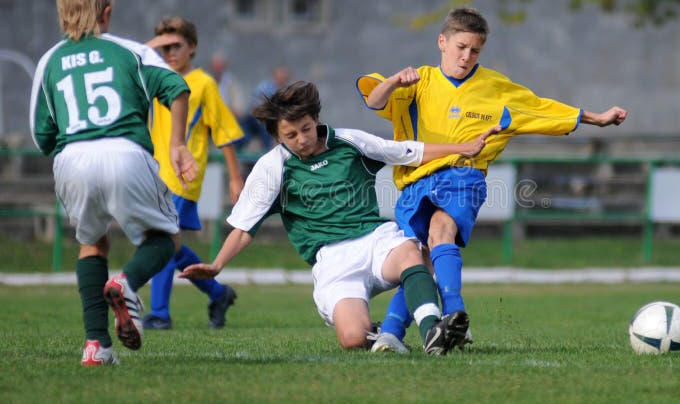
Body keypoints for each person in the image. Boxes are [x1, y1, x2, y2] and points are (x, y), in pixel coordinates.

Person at [356, 7, 628, 353]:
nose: (466, 56)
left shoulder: (495, 88)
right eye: (460, 47)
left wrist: (597, 118)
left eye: (475, 51)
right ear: (442, 42)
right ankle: (393, 332)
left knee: (441, 228)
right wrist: (394, 80)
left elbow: (542, 109)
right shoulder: (418, 82)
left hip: (463, 177)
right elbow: (373, 99)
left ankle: (455, 315)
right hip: (414, 183)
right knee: (417, 259)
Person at [181, 81, 500, 353]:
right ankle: (379, 333)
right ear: (278, 137)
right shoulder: (272, 167)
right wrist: (217, 265)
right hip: (333, 261)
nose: (301, 139)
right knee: (352, 338)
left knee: (412, 253)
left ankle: (433, 331)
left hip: (374, 240)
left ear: (315, 119)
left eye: (305, 129)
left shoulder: (349, 141)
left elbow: (406, 151)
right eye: (290, 135)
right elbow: (243, 228)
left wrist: (462, 148)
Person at [29, 0, 198, 366]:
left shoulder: (49, 61)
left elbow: (42, 136)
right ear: (107, 13)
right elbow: (176, 87)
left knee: (92, 244)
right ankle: (126, 283)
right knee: (168, 239)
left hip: (72, 158)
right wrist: (176, 145)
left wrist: (72, 153)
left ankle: (96, 347)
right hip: (125, 152)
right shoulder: (129, 51)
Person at [142, 17, 245, 330]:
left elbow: (223, 131)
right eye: (164, 46)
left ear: (193, 47)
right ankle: (218, 292)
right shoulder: (154, 76)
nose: (170, 52)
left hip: (185, 174)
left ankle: (159, 314)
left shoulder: (203, 84)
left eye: (177, 45)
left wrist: (234, 177)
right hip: (154, 173)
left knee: (160, 240)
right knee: (167, 244)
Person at [236, 64, 291, 152]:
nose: (282, 76)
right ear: (274, 75)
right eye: (280, 73)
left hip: (279, 118)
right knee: (245, 123)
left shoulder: (289, 89)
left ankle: (268, 149)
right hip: (261, 117)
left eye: (284, 74)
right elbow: (257, 104)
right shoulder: (265, 86)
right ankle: (251, 145)